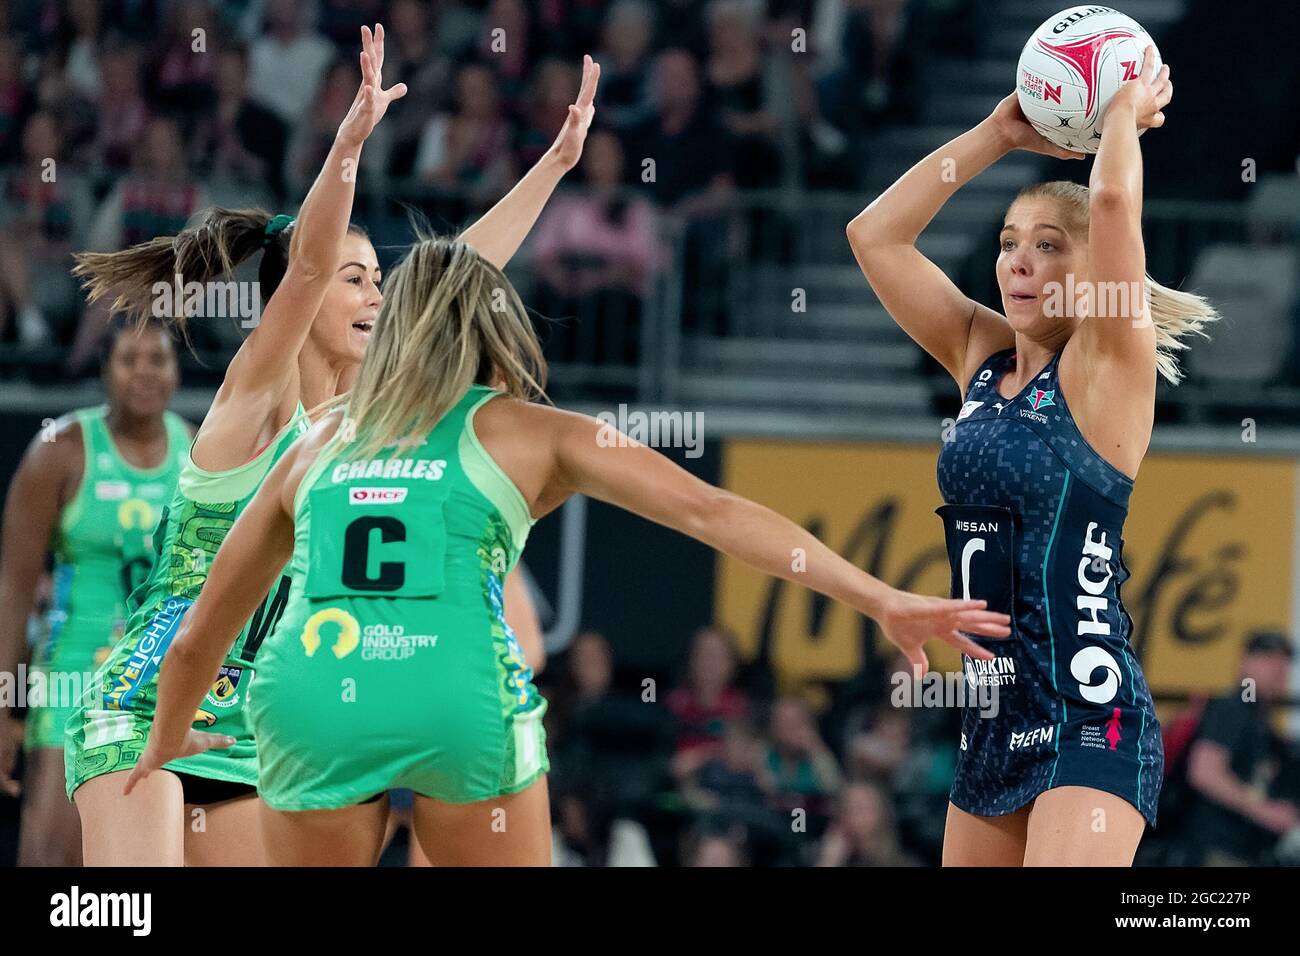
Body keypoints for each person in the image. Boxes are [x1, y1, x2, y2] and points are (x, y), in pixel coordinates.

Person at [122, 229, 1010, 866]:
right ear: (493, 325)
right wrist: (881, 600)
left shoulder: (313, 442)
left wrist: (165, 740)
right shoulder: (533, 431)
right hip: (453, 692)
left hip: (313, 695)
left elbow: (202, 634)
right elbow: (714, 514)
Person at [65, 32, 600, 868]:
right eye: (358, 278)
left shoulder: (362, 422)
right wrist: (347, 147)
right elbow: (310, 262)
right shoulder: (257, 399)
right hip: (145, 702)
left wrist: (555, 167)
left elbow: (458, 280)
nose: (376, 293)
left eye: (377, 282)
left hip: (247, 732)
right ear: (296, 296)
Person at [848, 51, 1216, 866]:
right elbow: (874, 236)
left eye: (1048, 247)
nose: (1018, 260)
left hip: (1091, 712)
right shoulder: (977, 352)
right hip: (990, 724)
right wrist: (995, 133)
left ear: (1094, 278)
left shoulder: (1106, 365)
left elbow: (1115, 198)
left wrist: (1121, 112)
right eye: (1010, 242)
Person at [0, 320, 189, 865]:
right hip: (72, 676)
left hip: (164, 681)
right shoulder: (58, 449)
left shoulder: (200, 448)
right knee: (52, 856)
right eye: (130, 360)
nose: (146, 373)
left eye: (159, 359)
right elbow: (13, 591)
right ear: (104, 370)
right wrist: (6, 707)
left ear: (177, 372)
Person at [1183, 631, 1300, 865]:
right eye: (1268, 659)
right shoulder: (1234, 707)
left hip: (1239, 850)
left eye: (1283, 662)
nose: (1278, 669)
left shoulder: (1257, 715)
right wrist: (1264, 810)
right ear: (1245, 661)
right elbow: (1204, 771)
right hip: (1215, 847)